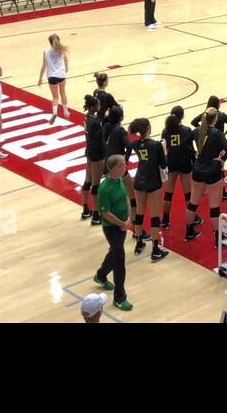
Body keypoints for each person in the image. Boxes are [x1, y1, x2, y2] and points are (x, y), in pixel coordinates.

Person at [93, 154, 134, 312]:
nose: (126, 167)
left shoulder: (119, 181)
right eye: (123, 165)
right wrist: (122, 223)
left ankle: (101, 275)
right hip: (111, 228)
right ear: (114, 168)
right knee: (119, 260)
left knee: (114, 252)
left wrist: (129, 218)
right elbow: (106, 213)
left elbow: (126, 199)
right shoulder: (104, 188)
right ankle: (119, 298)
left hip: (123, 225)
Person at [185, 108, 227, 242]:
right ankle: (218, 238)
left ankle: (188, 232)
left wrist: (194, 155)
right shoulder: (217, 133)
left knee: (193, 203)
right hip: (213, 170)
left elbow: (184, 145)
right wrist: (221, 160)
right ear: (215, 118)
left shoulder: (196, 131)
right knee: (214, 206)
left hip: (198, 168)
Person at [128, 118, 169, 261]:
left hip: (139, 180)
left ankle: (139, 243)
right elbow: (163, 165)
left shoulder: (135, 144)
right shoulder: (156, 145)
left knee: (140, 213)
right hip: (153, 181)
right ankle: (156, 250)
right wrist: (164, 152)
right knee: (154, 216)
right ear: (148, 129)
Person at [160, 106, 198, 233]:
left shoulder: (165, 131)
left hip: (171, 163)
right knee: (188, 194)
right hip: (184, 163)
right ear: (182, 116)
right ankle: (192, 220)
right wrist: (194, 162)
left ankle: (165, 219)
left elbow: (163, 148)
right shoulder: (187, 130)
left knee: (168, 193)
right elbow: (191, 150)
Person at [81, 95, 107, 224]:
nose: (99, 106)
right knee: (96, 185)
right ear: (93, 107)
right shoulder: (96, 123)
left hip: (89, 150)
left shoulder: (86, 117)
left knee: (88, 181)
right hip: (97, 153)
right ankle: (96, 216)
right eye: (97, 105)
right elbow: (102, 139)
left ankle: (86, 210)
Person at [38, 33, 70, 124]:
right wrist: (65, 70)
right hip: (61, 74)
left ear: (50, 42)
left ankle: (55, 112)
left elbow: (44, 66)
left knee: (55, 97)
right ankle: (65, 112)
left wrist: (40, 78)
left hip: (52, 76)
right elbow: (66, 62)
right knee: (63, 92)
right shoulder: (62, 51)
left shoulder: (46, 51)